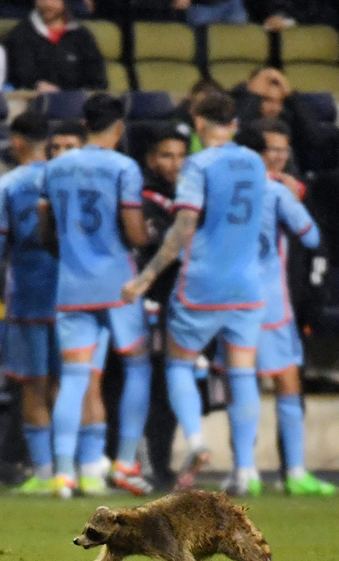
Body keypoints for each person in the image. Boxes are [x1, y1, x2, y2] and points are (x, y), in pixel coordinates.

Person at [122, 91, 268, 497]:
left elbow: (184, 226)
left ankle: (197, 441)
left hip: (203, 282)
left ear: (198, 123)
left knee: (179, 365)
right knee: (242, 374)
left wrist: (147, 276)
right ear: (233, 123)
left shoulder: (199, 164)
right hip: (247, 286)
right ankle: (246, 470)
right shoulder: (255, 162)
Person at [38, 94, 153, 499]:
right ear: (118, 128)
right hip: (119, 284)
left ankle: (64, 474)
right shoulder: (124, 167)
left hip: (72, 285)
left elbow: (44, 232)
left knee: (73, 378)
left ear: (85, 125)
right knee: (138, 367)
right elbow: (135, 232)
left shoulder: (55, 168)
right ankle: (124, 462)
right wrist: (150, 235)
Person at [240, 120, 336, 495]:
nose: (278, 156)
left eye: (284, 149)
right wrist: (291, 197)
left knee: (240, 381)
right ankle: (294, 472)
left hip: (230, 300)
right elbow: (311, 236)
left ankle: (243, 470)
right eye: (271, 150)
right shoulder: (276, 191)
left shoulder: (224, 185)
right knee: (286, 382)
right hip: (269, 301)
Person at [0, 112, 60, 493]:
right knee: (69, 384)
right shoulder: (64, 177)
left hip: (28, 296)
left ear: (17, 142)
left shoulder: (8, 184)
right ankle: (73, 467)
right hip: (71, 296)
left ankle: (44, 474)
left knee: (33, 385)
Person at [137, 126, 188, 488]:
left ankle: (161, 462)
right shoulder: (143, 199)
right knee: (147, 384)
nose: (175, 163)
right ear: (152, 160)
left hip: (181, 302)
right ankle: (140, 462)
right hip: (148, 300)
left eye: (181, 155)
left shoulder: (190, 196)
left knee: (170, 386)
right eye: (167, 155)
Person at [5, 0, 107, 92]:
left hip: (79, 103)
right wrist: (36, 85)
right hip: (35, 103)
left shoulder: (82, 36)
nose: (48, 4)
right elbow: (21, 77)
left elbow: (98, 80)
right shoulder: (20, 35)